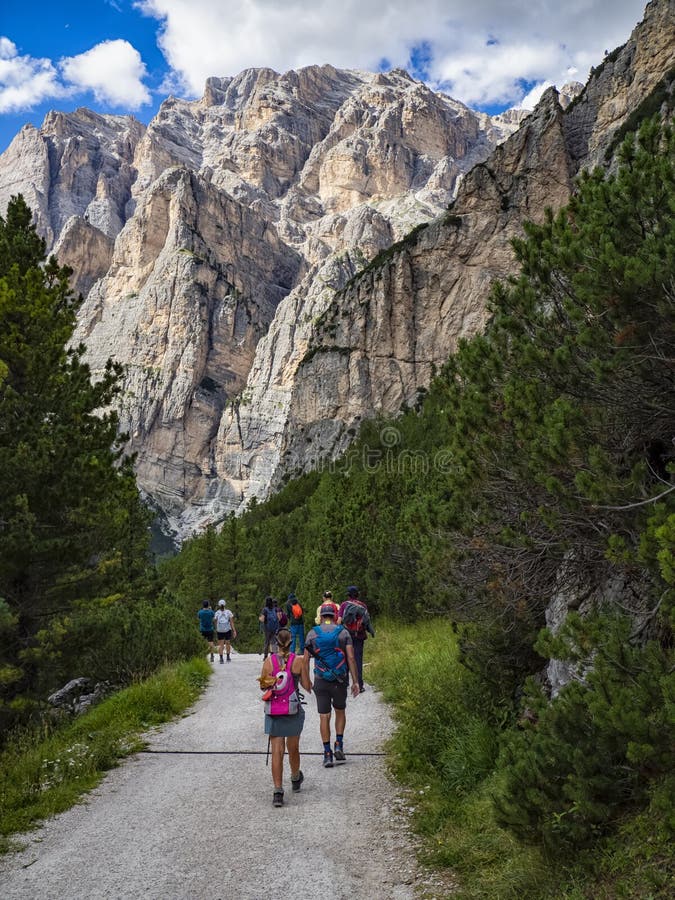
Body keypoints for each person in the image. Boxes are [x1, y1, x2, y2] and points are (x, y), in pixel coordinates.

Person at [303, 602, 359, 768]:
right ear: (334, 616)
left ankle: (327, 753)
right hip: (339, 679)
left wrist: (306, 681)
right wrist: (355, 681)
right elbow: (350, 658)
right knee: (340, 711)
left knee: (324, 716)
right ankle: (338, 744)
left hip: (321, 679)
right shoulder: (343, 633)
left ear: (321, 617)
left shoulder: (312, 633)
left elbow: (305, 660)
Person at [259, 627, 311, 807]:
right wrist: (307, 665)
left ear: (276, 642)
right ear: (291, 642)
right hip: (292, 710)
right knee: (293, 747)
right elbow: (307, 686)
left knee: (277, 750)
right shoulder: (298, 661)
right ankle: (295, 778)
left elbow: (263, 687)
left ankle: (278, 791)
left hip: (274, 711)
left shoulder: (268, 662)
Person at [338, 586, 374, 693]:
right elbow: (367, 621)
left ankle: (345, 684)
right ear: (357, 594)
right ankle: (359, 684)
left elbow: (339, 621)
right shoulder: (362, 605)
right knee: (358, 659)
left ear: (348, 595)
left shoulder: (344, 605)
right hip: (359, 635)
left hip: (346, 635)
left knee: (346, 658)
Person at [214, 599, 237, 663]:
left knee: (221, 644)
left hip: (220, 630)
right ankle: (228, 657)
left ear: (219, 605)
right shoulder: (228, 612)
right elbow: (232, 622)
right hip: (227, 630)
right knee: (227, 643)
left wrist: (216, 629)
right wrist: (234, 631)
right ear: (225, 605)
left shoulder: (217, 613)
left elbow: (215, 621)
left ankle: (221, 658)